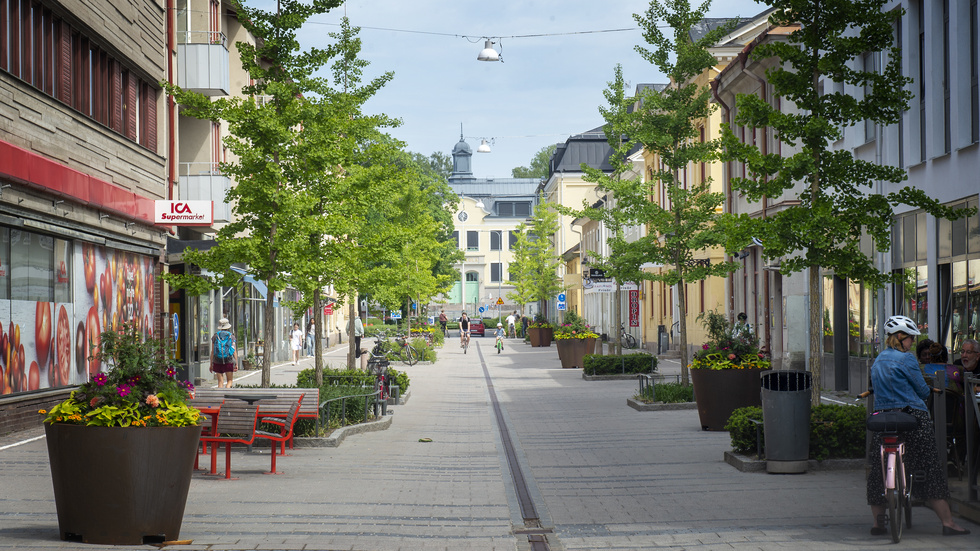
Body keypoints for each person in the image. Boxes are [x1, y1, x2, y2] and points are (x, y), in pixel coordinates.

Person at [866, 315, 970, 537]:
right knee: (929, 466)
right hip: (911, 416)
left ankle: (878, 524)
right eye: (911, 338)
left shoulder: (878, 360)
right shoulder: (908, 360)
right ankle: (948, 523)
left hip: (883, 418)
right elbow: (923, 392)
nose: (912, 343)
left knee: (878, 469)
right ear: (902, 338)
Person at [210, 318, 237, 388]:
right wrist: (236, 363)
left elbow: (212, 352)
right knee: (229, 381)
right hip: (228, 360)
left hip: (217, 360)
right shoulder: (232, 337)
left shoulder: (215, 336)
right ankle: (226, 395)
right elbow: (234, 351)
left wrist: (211, 364)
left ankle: (220, 398)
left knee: (220, 382)